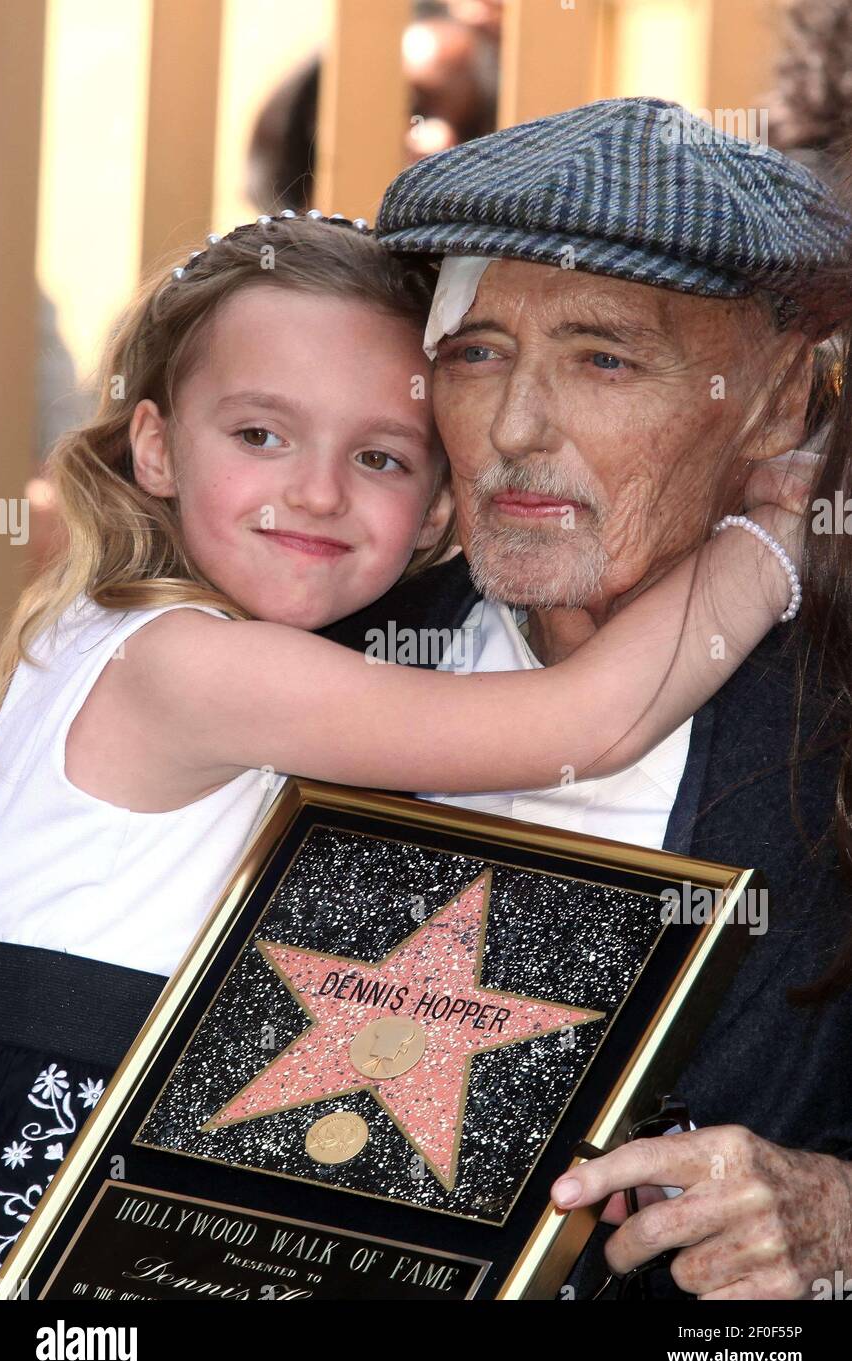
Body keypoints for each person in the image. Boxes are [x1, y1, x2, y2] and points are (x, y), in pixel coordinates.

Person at [0, 211, 805, 1277]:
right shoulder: (190, 664)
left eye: (377, 456)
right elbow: (587, 723)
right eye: (259, 435)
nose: (316, 491)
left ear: (433, 511)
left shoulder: (132, 628)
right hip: (59, 1156)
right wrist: (772, 533)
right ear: (154, 444)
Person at [321, 96, 852, 1299]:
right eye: (476, 354)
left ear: (771, 404)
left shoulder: (835, 716)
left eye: (602, 358)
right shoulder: (319, 660)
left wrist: (836, 1220)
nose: (513, 427)